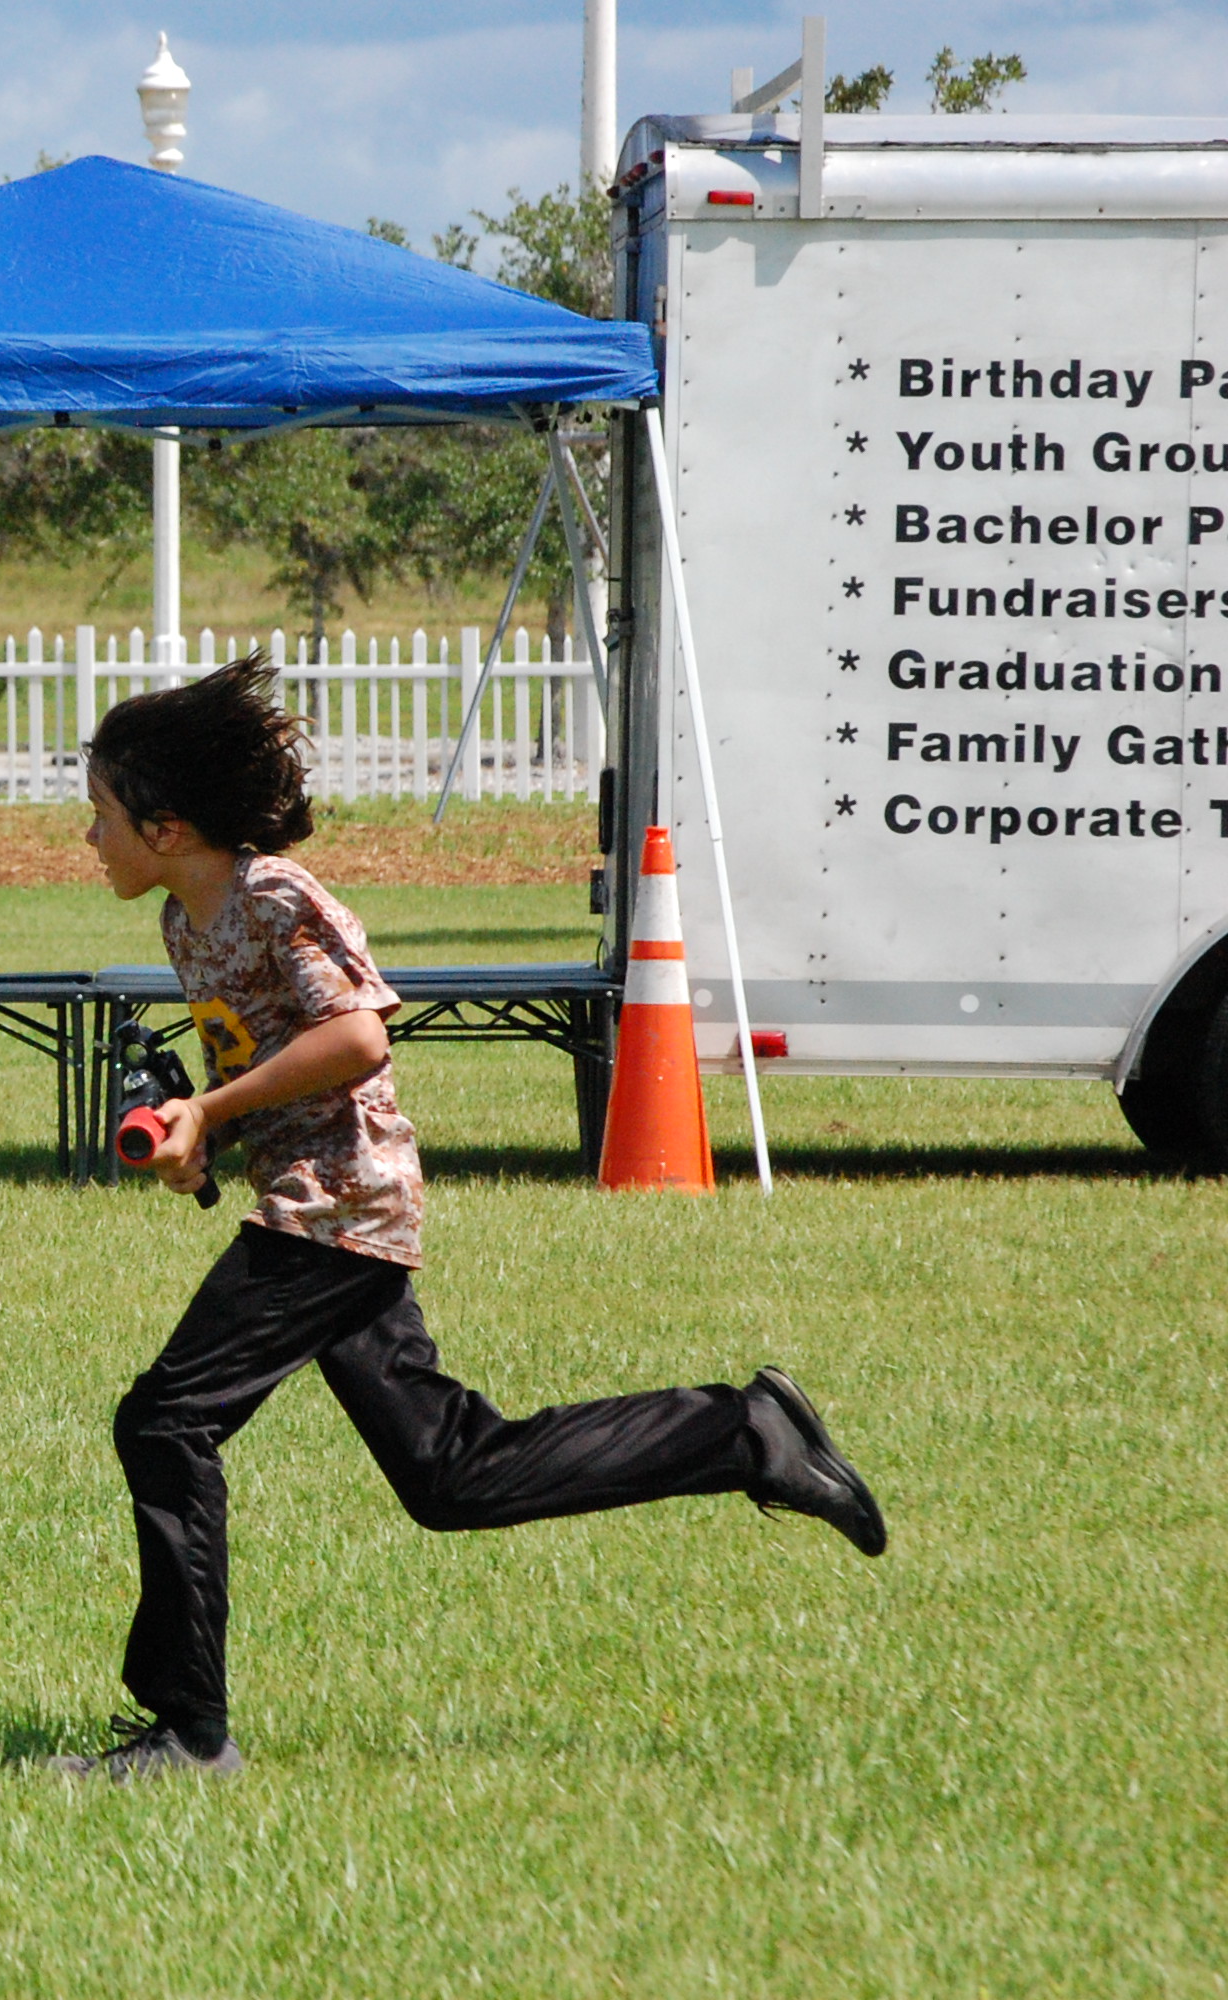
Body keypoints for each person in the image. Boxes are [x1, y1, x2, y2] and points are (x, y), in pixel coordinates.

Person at [53, 659, 881, 1782]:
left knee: (163, 1421)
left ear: (165, 826)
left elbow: (358, 1036)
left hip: (338, 1202)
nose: (87, 836)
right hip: (313, 1201)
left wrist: (215, 1107)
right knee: (452, 1474)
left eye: (100, 814)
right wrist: (194, 1135)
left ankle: (188, 1732)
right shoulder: (184, 920)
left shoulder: (274, 896)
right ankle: (745, 1433)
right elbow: (266, 1067)